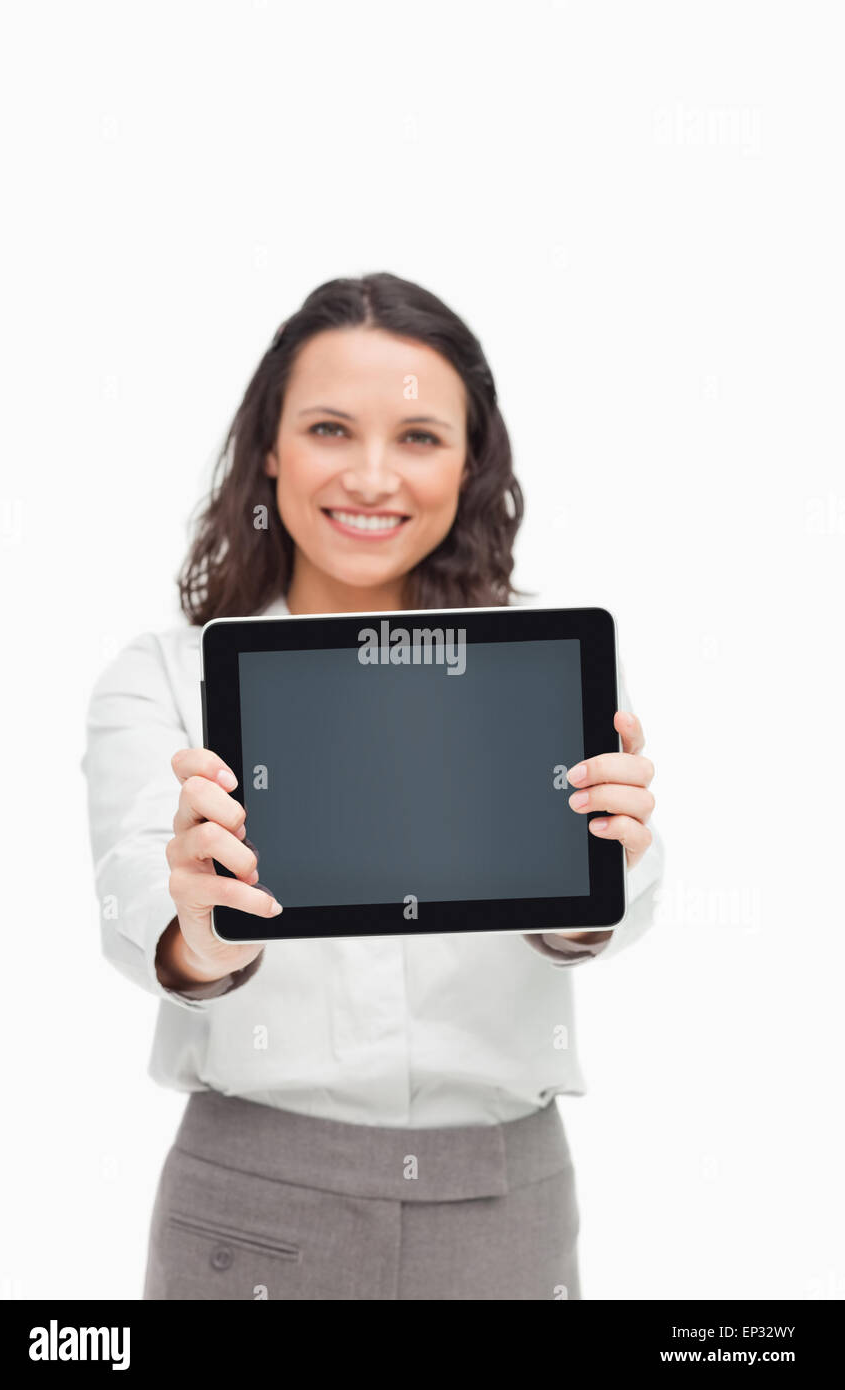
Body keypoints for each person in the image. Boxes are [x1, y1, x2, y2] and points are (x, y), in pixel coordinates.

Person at [83, 272, 663, 1301]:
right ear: (269, 447)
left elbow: (603, 912)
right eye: (327, 429)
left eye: (418, 437)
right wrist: (203, 928)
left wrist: (605, 875)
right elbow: (141, 903)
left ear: (469, 462)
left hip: (504, 1204)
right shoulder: (166, 675)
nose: (370, 476)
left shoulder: (540, 663)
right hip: (252, 1203)